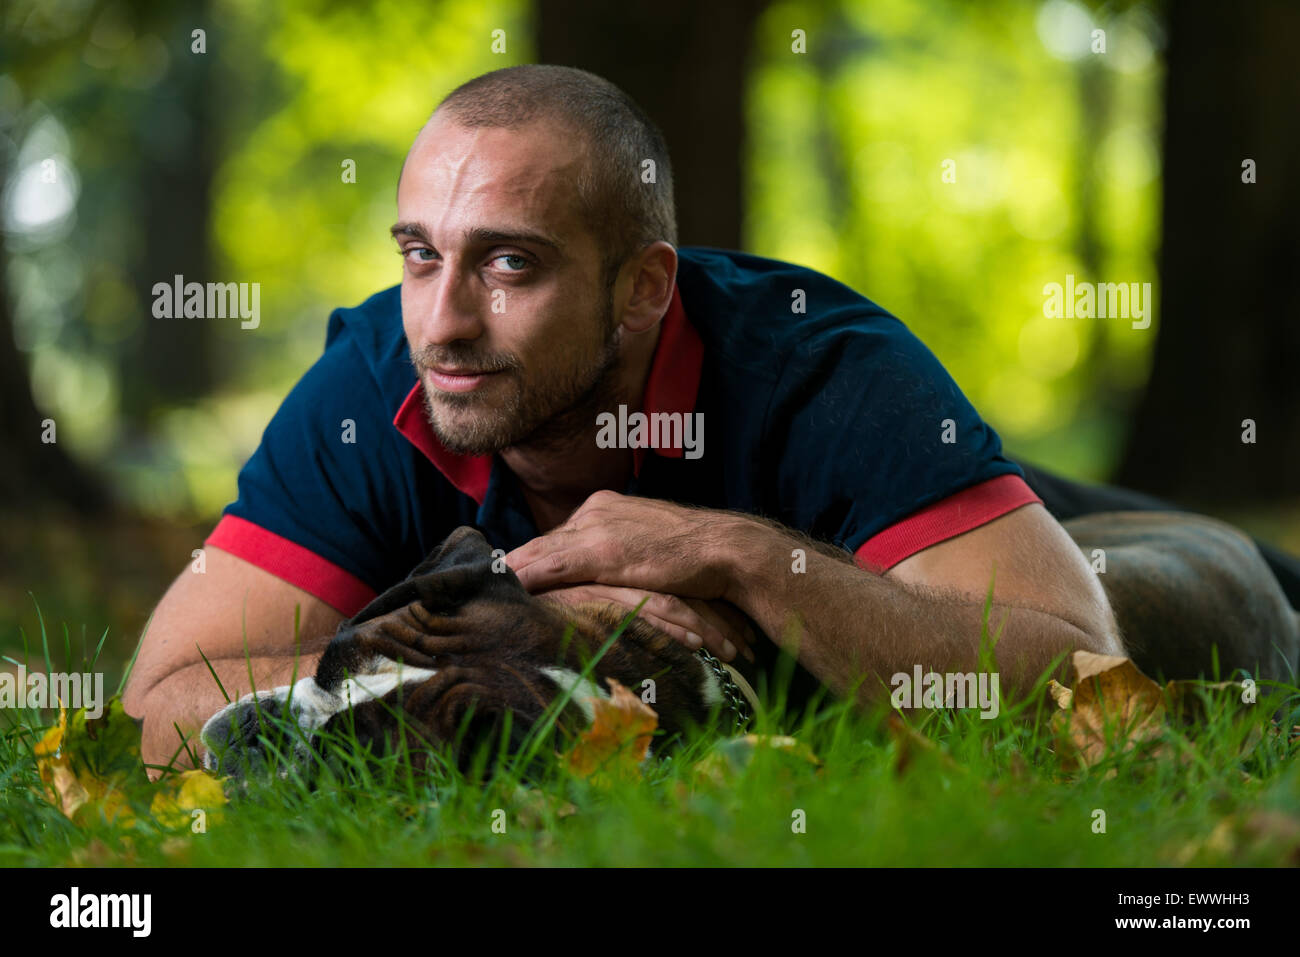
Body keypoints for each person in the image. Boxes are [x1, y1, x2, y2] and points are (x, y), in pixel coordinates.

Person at [120, 64, 1291, 771]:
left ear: (641, 288)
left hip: (952, 531)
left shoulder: (823, 365)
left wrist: (736, 555)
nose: (445, 322)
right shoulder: (379, 381)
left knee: (1225, 586)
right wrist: (466, 641)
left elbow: (1071, 669)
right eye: (420, 255)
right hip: (893, 552)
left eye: (510, 266)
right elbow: (158, 702)